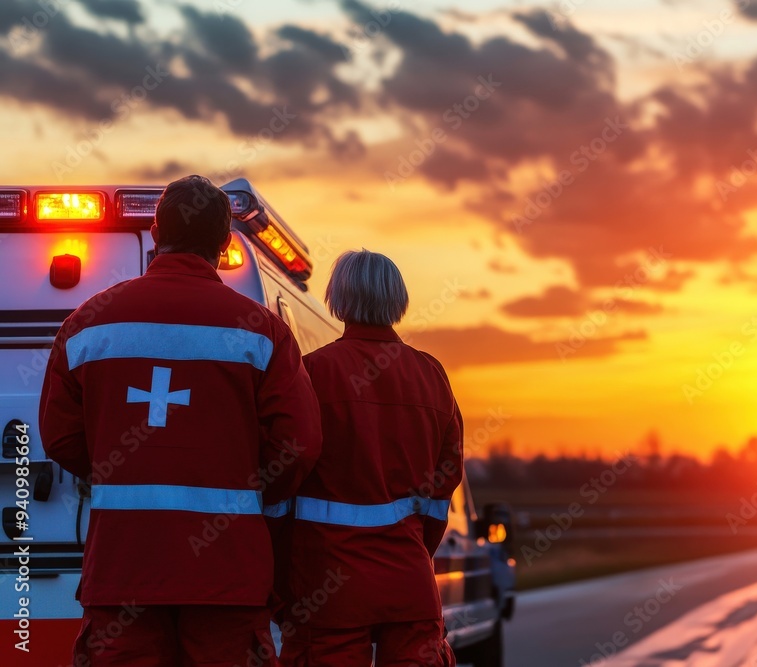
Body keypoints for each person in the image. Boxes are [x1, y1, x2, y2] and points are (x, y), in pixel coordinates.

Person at [40, 175, 322, 667]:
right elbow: (298, 444)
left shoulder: (87, 323)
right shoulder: (262, 331)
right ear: (224, 241)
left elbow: (61, 437)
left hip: (122, 573)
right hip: (226, 577)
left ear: (154, 233)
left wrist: (120, 468)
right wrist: (247, 491)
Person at [278, 250, 463, 667]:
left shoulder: (311, 373)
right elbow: (444, 486)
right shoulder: (431, 376)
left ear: (337, 298)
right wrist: (415, 551)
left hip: (327, 590)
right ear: (397, 298)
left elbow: (284, 472)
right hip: (410, 584)